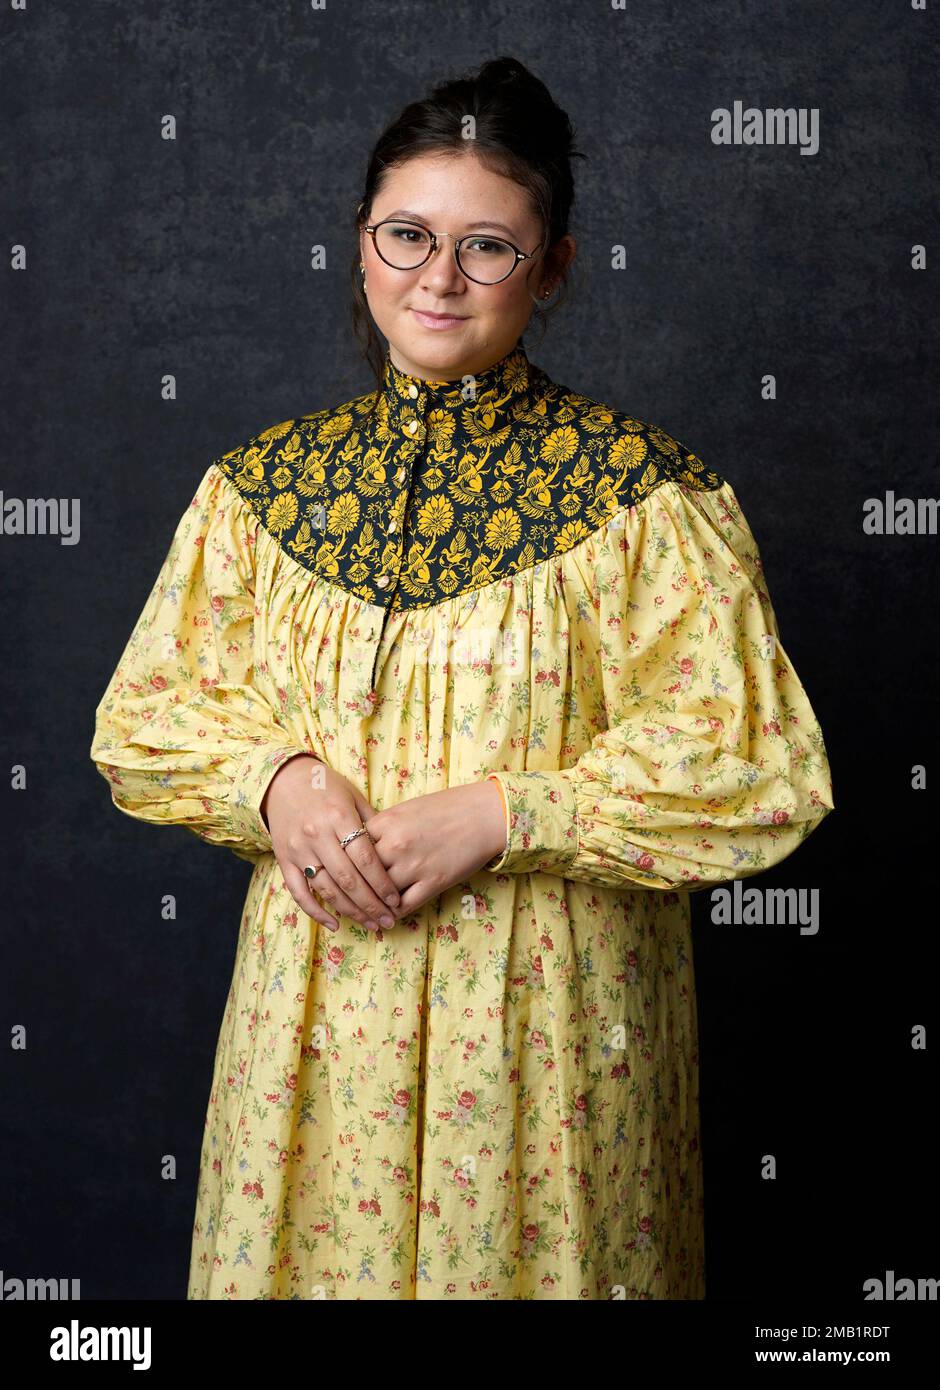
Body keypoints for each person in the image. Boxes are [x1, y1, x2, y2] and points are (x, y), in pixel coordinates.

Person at [89, 56, 834, 1301]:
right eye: (408, 235)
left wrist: (509, 814)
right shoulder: (260, 490)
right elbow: (141, 720)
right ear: (361, 246)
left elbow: (760, 771)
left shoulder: (643, 497)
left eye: (487, 246)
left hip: (548, 1052)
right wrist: (275, 782)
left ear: (549, 270)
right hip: (313, 1049)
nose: (439, 277)